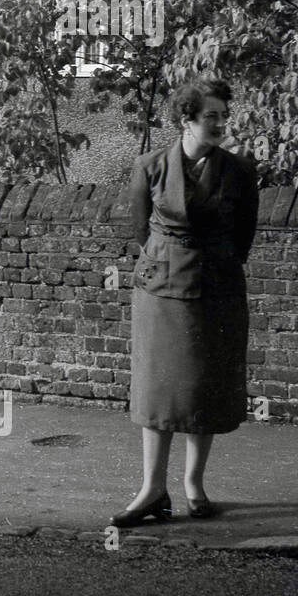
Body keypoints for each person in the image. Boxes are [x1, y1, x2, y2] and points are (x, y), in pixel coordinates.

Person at [113, 77, 259, 526]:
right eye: (210, 116)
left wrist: (213, 262)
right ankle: (152, 489)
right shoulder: (150, 165)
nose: (219, 124)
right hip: (161, 290)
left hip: (216, 288)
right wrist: (169, 259)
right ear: (186, 120)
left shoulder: (238, 170)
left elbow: (243, 236)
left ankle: (194, 484)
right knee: (157, 390)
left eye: (222, 116)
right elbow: (142, 230)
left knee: (205, 385)